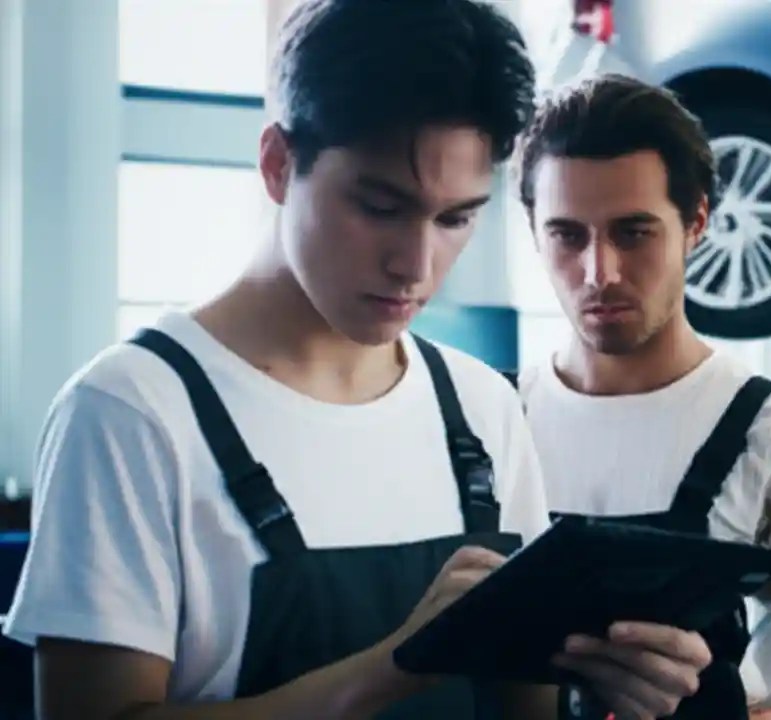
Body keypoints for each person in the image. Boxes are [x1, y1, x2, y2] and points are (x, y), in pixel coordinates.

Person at [1, 3, 712, 719]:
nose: (417, 265)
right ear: (279, 165)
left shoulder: (480, 410)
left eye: (455, 218)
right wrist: (390, 669)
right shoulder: (132, 412)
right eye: (379, 207)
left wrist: (606, 683)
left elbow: (522, 708)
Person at [512, 74, 771, 720]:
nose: (599, 272)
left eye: (633, 233)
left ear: (696, 223)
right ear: (533, 229)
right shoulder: (492, 424)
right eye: (567, 235)